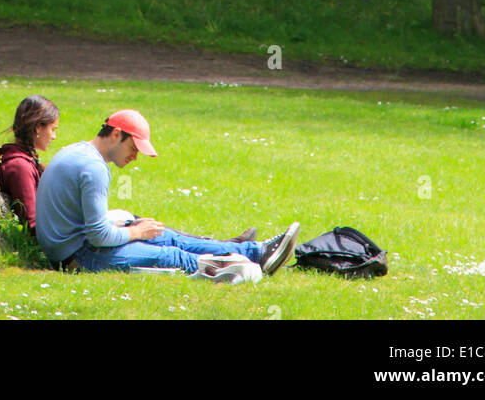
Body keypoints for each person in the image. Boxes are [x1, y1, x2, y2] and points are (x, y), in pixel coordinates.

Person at [35, 107, 300, 282]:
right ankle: (244, 268)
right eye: (134, 147)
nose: (135, 156)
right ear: (116, 134)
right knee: (170, 256)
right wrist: (136, 232)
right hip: (77, 258)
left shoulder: (81, 152)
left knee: (164, 235)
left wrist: (126, 227)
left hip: (76, 245)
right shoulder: (94, 168)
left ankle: (256, 251)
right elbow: (98, 236)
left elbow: (86, 224)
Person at [0, 95, 59, 239]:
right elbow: (32, 225)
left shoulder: (25, 159)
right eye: (53, 129)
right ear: (38, 128)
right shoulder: (20, 167)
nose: (54, 136)